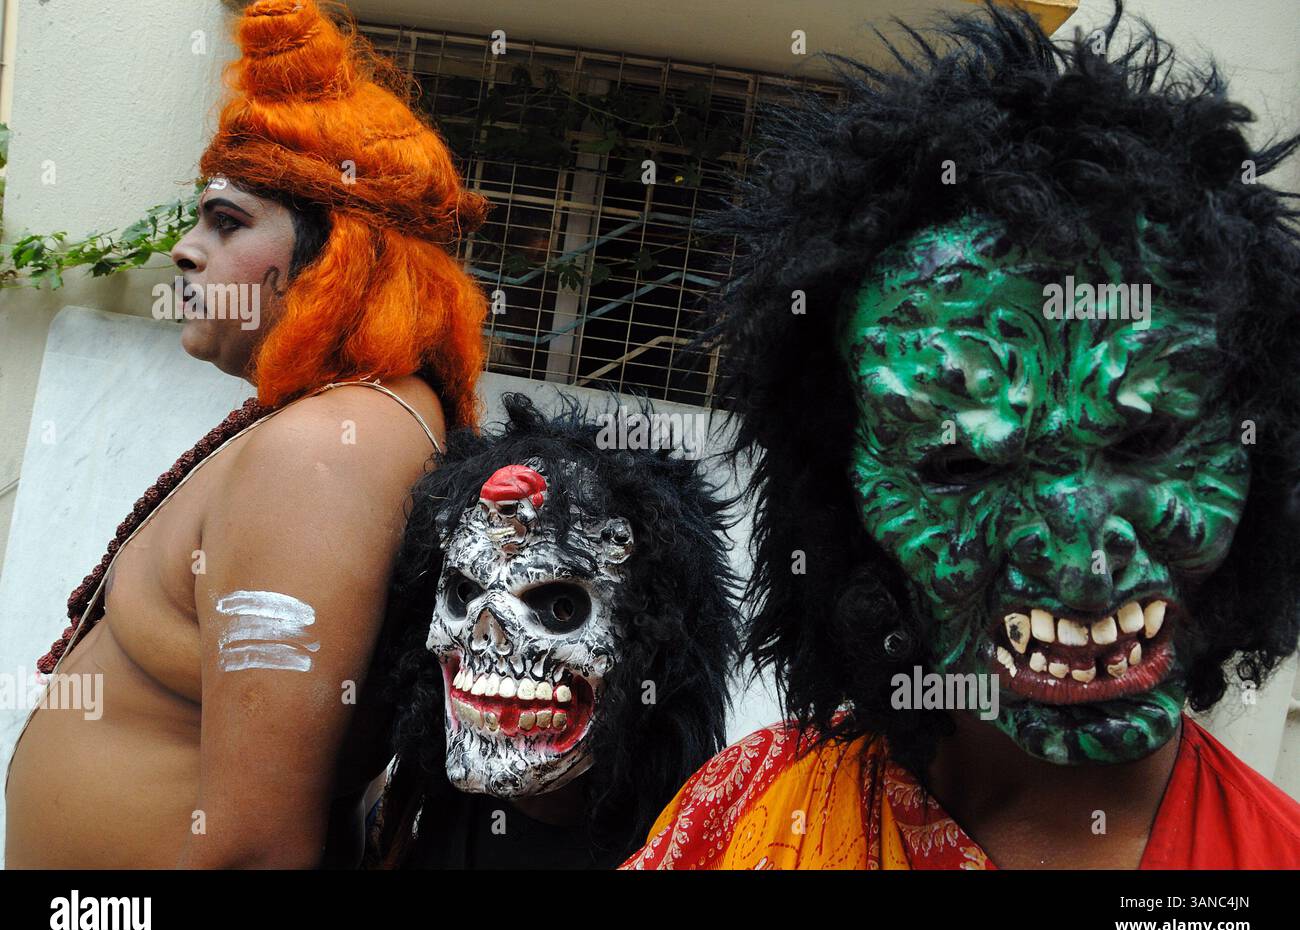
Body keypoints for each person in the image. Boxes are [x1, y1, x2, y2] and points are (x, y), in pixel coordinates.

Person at [624, 1, 1300, 870]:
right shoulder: (744, 818)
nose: (1078, 560)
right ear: (839, 497)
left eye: (1146, 443)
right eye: (958, 464)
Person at [5, 0, 487, 868]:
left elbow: (259, 848)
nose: (185, 253)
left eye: (227, 223)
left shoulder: (331, 446)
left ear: (337, 255)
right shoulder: (332, 421)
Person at [371, 394, 739, 868]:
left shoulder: (682, 847)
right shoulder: (422, 808)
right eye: (464, 593)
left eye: (561, 606)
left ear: (655, 641)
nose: (487, 633)